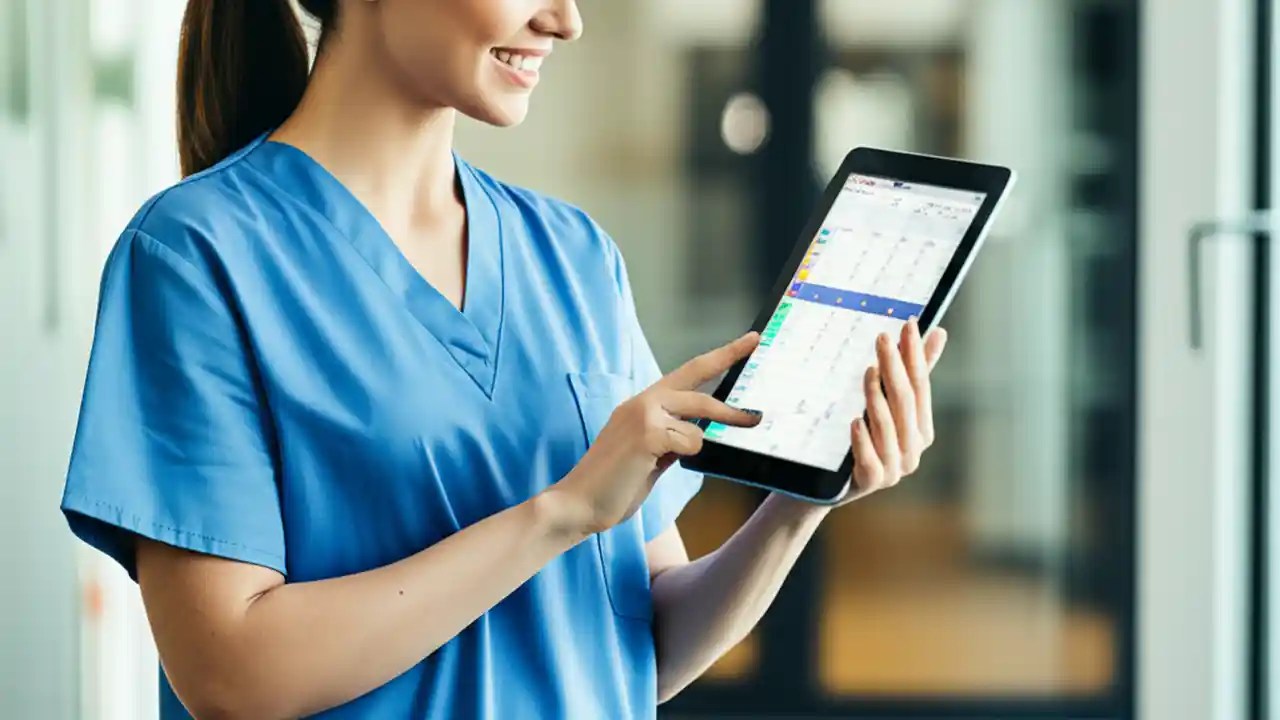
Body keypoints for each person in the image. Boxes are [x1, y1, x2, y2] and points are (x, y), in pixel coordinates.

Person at [60, 1, 948, 718]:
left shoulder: (574, 256)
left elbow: (646, 645)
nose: (566, 20)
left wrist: (804, 500)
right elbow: (231, 676)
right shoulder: (197, 256)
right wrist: (560, 514)